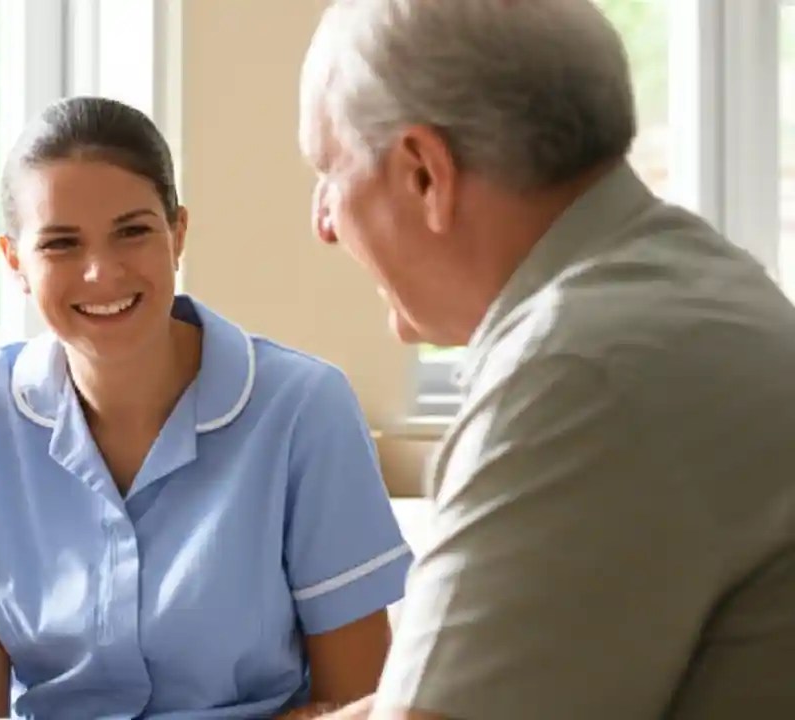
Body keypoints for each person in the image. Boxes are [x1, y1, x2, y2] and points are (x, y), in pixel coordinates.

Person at [296, 1, 795, 718]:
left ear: (424, 174)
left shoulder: (576, 374)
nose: (323, 224)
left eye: (329, 171)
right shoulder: (691, 286)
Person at [0, 95, 413, 719]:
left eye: (132, 231)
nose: (101, 273)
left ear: (178, 233)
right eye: (59, 245)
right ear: (14, 262)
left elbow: (354, 704)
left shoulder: (303, 409)